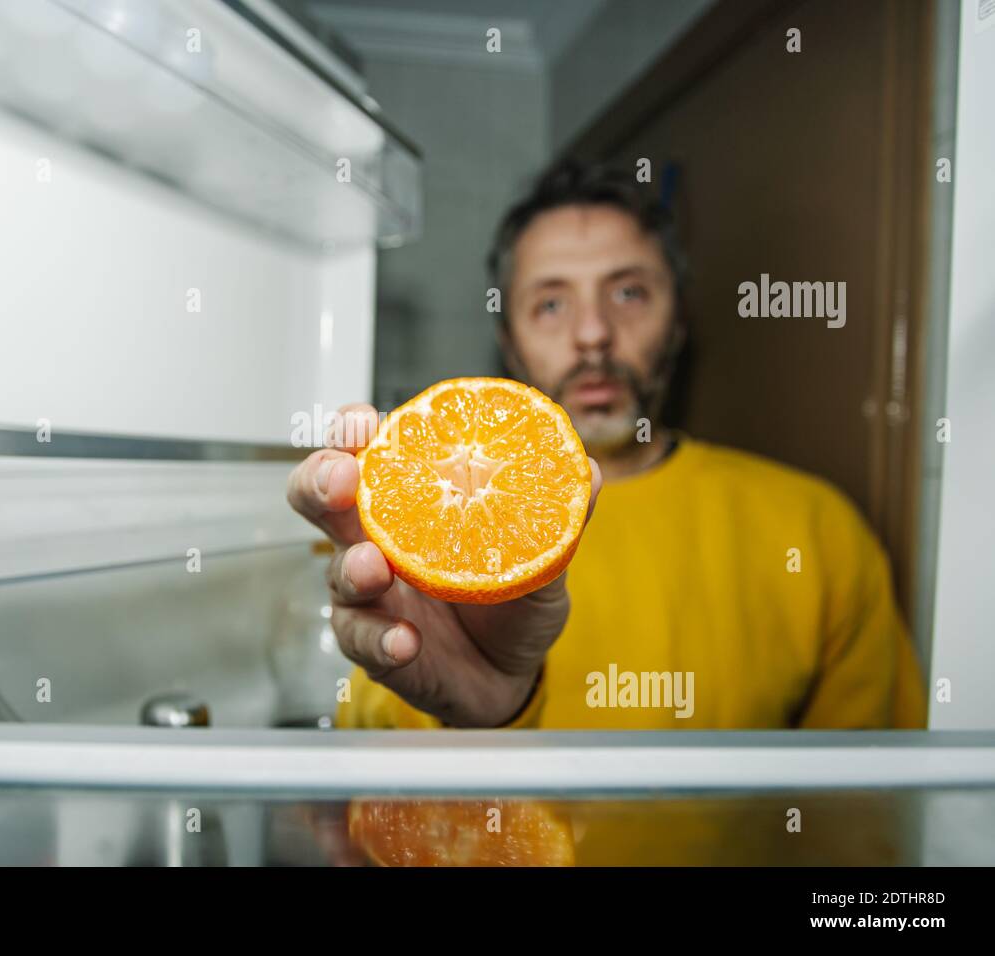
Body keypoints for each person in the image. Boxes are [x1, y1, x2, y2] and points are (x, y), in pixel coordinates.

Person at [286, 158, 927, 734]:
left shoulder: (816, 532)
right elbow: (373, 794)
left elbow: (873, 817)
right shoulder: (422, 540)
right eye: (550, 304)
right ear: (509, 342)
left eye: (628, 292)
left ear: (677, 324)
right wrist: (475, 715)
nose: (593, 334)